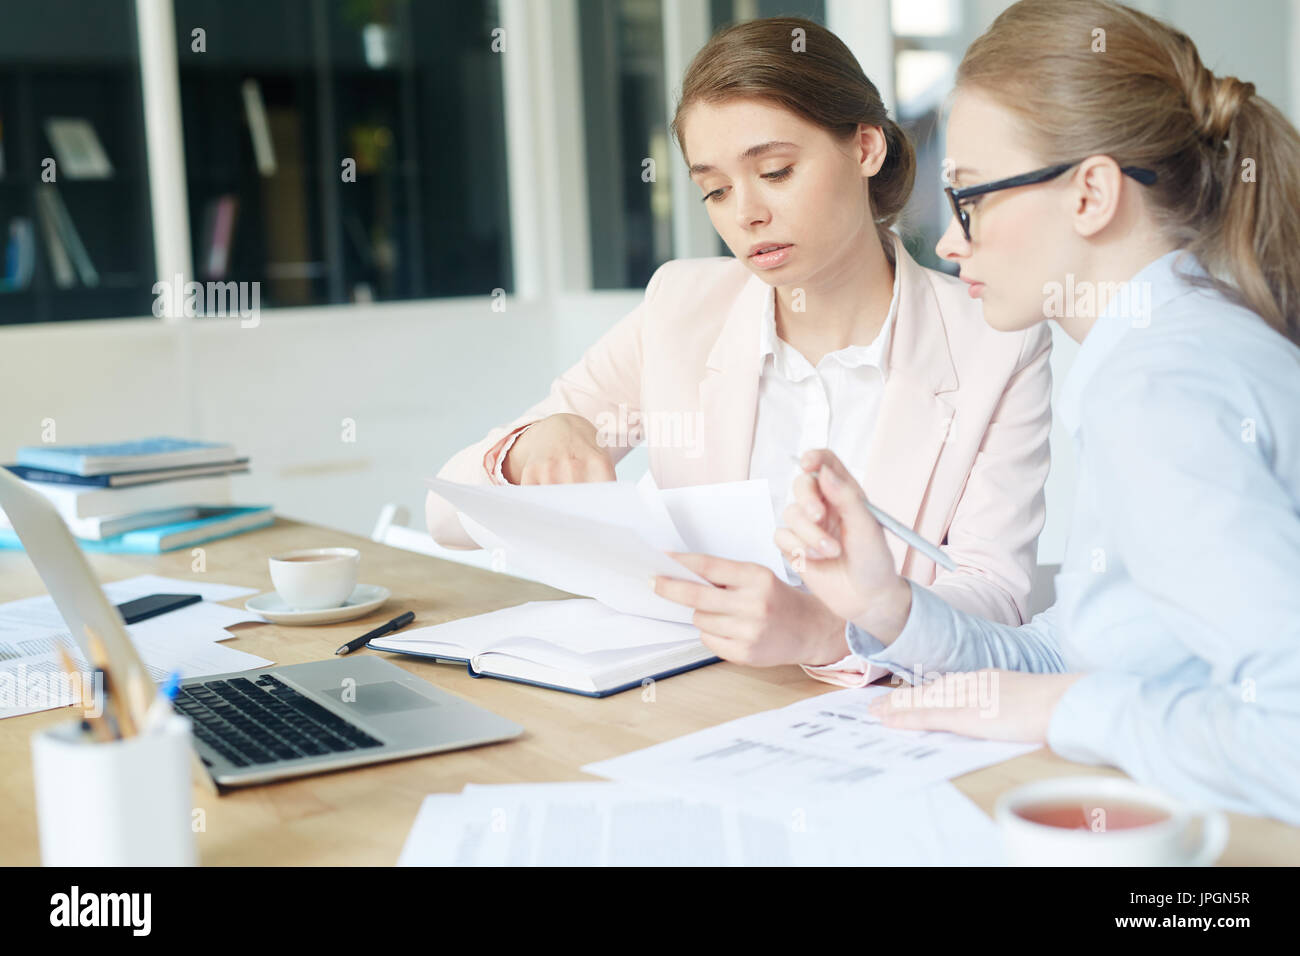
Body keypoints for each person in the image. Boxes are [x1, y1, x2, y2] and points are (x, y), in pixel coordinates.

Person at [773, 0, 1300, 824]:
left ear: (1091, 193)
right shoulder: (1170, 349)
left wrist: (1065, 713)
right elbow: (1084, 652)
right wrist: (887, 606)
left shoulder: (1161, 390)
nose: (950, 244)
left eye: (969, 197)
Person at [429, 17, 1053, 684]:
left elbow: (996, 597)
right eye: (716, 190)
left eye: (775, 171)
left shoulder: (996, 340)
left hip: (878, 717)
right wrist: (529, 450)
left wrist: (828, 632)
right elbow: (449, 516)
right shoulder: (682, 308)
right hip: (698, 702)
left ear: (866, 147)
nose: (745, 214)